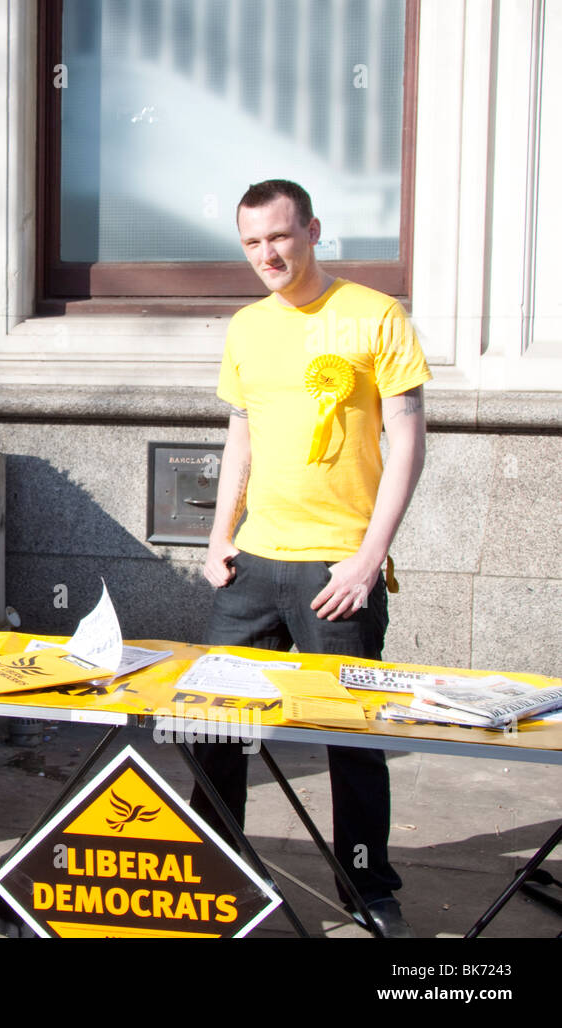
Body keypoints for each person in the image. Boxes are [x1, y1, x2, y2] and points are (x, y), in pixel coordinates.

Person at [195, 179, 429, 937]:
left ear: (313, 231)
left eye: (280, 237)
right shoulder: (246, 327)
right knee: (214, 724)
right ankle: (214, 867)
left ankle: (369, 888)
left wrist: (367, 561)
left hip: (339, 571)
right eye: (252, 242)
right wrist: (218, 534)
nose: (267, 254)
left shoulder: (376, 316)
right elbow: (243, 434)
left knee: (352, 737)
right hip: (251, 567)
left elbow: (408, 444)